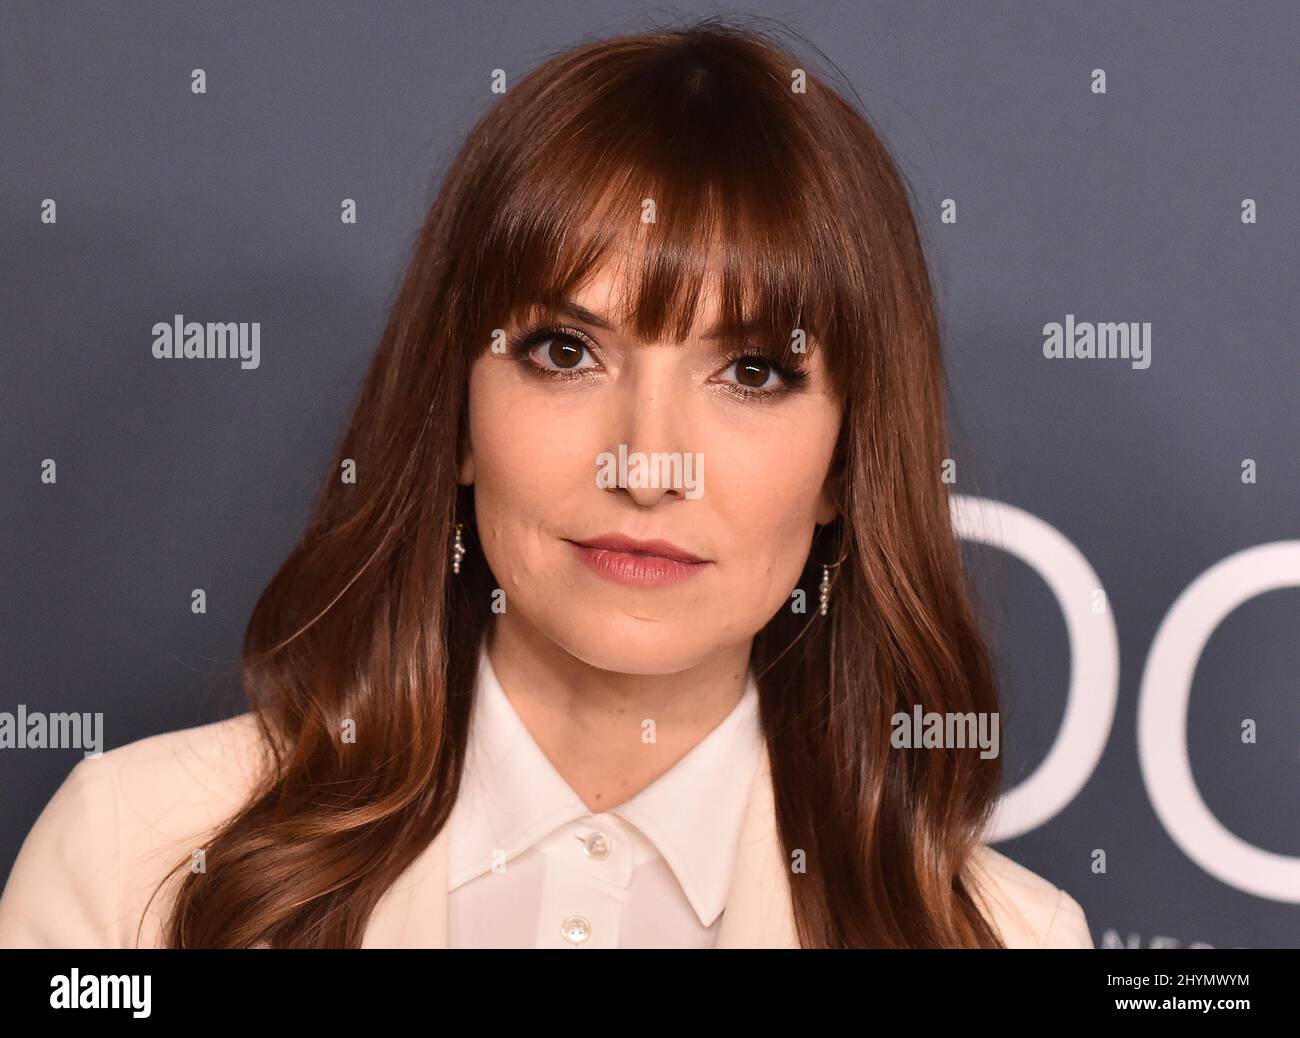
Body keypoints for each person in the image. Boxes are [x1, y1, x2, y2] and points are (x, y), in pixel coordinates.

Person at [0, 18, 1092, 949]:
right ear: (458, 415)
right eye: (566, 353)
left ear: (843, 466)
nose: (646, 461)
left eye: (752, 371)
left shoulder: (1010, 942)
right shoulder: (136, 861)